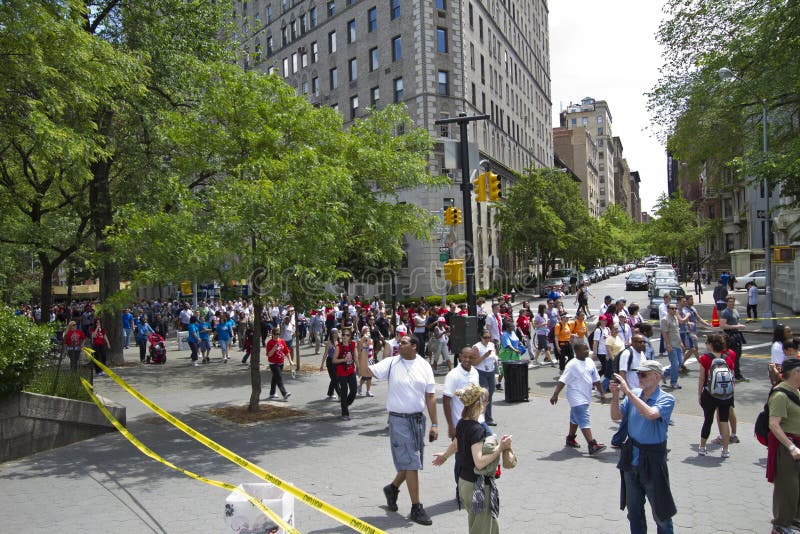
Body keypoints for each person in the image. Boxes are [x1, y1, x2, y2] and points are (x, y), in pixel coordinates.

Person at [356, 335, 438, 526]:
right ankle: (416, 506)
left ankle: (392, 488)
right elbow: (364, 370)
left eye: (403, 343)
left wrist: (435, 424)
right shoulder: (392, 363)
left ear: (414, 346)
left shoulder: (424, 366)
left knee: (411, 461)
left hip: (418, 421)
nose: (399, 345)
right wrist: (365, 349)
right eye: (398, 343)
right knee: (411, 462)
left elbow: (431, 397)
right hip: (398, 420)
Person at [432, 384, 512, 534]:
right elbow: (480, 462)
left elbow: (455, 445)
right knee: (480, 528)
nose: (487, 404)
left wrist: (444, 456)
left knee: (489, 525)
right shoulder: (476, 429)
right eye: (486, 402)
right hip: (477, 486)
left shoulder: (462, 423)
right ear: (480, 404)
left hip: (464, 482)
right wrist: (500, 447)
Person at [611, 360, 677, 534]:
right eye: (638, 374)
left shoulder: (666, 398)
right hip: (631, 460)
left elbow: (650, 413)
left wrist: (627, 393)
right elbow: (616, 416)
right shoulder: (635, 393)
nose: (639, 377)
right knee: (634, 513)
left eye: (643, 374)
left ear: (657, 377)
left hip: (653, 461)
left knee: (661, 515)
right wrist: (616, 396)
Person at [550, 341, 607, 454]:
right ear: (576, 351)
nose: (587, 351)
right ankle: (592, 445)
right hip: (576, 396)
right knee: (583, 418)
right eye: (584, 349)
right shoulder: (572, 364)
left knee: (575, 418)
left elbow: (596, 379)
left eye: (587, 349)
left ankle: (570, 438)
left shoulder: (590, 361)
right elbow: (563, 380)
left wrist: (602, 393)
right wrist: (555, 394)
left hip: (586, 395)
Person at [766, 358, 800, 534]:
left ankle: (793, 521)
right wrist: (791, 447)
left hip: (796, 448)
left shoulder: (795, 391)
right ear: (795, 373)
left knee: (797, 490)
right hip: (787, 450)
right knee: (787, 489)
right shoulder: (780, 394)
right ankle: (781, 525)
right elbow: (773, 424)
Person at [696, 333, 735, 458]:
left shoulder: (705, 358)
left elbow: (702, 378)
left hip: (709, 393)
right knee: (724, 420)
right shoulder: (727, 358)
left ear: (711, 345)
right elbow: (732, 377)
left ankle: (702, 447)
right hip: (726, 395)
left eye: (707, 343)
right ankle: (725, 449)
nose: (706, 345)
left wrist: (699, 393)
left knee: (708, 419)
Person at [719, 296, 748, 382]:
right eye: (730, 302)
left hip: (737, 335)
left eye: (733, 302)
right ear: (727, 303)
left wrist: (740, 326)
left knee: (738, 355)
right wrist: (737, 326)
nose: (732, 303)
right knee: (731, 356)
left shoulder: (735, 311)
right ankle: (732, 374)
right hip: (730, 336)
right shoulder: (725, 312)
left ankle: (737, 374)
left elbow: (736, 322)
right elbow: (722, 325)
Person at [473, 329, 499, 426]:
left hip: (491, 372)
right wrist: (484, 356)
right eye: (485, 338)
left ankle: (485, 417)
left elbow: (495, 355)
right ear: (481, 337)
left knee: (490, 395)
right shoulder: (477, 347)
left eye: (489, 337)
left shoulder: (491, 345)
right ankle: (483, 418)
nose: (487, 339)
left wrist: (496, 358)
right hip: (481, 372)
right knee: (485, 395)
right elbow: (474, 362)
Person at [332, 329, 358, 419]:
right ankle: (345, 413)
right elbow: (334, 360)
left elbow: (355, 356)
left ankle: (345, 404)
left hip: (351, 370)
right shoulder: (338, 347)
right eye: (343, 335)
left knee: (354, 390)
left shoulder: (352, 345)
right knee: (344, 391)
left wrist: (358, 366)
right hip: (342, 371)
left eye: (347, 335)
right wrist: (343, 360)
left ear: (350, 337)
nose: (344, 337)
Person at [661, 302, 685, 390]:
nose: (674, 310)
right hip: (671, 344)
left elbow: (677, 331)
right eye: (672, 308)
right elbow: (664, 333)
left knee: (680, 363)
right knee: (675, 364)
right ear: (668, 309)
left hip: (678, 344)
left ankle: (664, 374)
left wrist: (681, 342)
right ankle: (673, 382)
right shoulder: (665, 319)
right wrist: (668, 344)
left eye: (675, 308)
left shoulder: (675, 318)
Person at [266, 327, 293, 401]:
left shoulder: (282, 341)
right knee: (279, 378)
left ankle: (272, 393)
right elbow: (269, 355)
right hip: (273, 363)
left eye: (278, 334)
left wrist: (290, 361)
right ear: (272, 334)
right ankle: (284, 394)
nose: (277, 335)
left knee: (275, 378)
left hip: (281, 362)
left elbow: (287, 352)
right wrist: (274, 348)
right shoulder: (270, 343)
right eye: (275, 334)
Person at [319, 328, 341, 400]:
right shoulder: (329, 343)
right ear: (331, 334)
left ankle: (330, 393)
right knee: (335, 378)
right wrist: (322, 364)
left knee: (335, 379)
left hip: (337, 362)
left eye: (337, 332)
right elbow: (325, 354)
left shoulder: (338, 342)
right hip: (330, 362)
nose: (336, 334)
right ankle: (340, 395)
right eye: (335, 332)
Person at [357, 326, 375, 397]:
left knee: (370, 376)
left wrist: (373, 358)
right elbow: (359, 352)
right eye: (366, 331)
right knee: (365, 375)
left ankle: (368, 391)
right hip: (364, 360)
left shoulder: (371, 340)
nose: (368, 332)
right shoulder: (360, 341)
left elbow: (372, 350)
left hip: (370, 359)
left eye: (369, 331)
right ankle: (360, 385)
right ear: (363, 332)